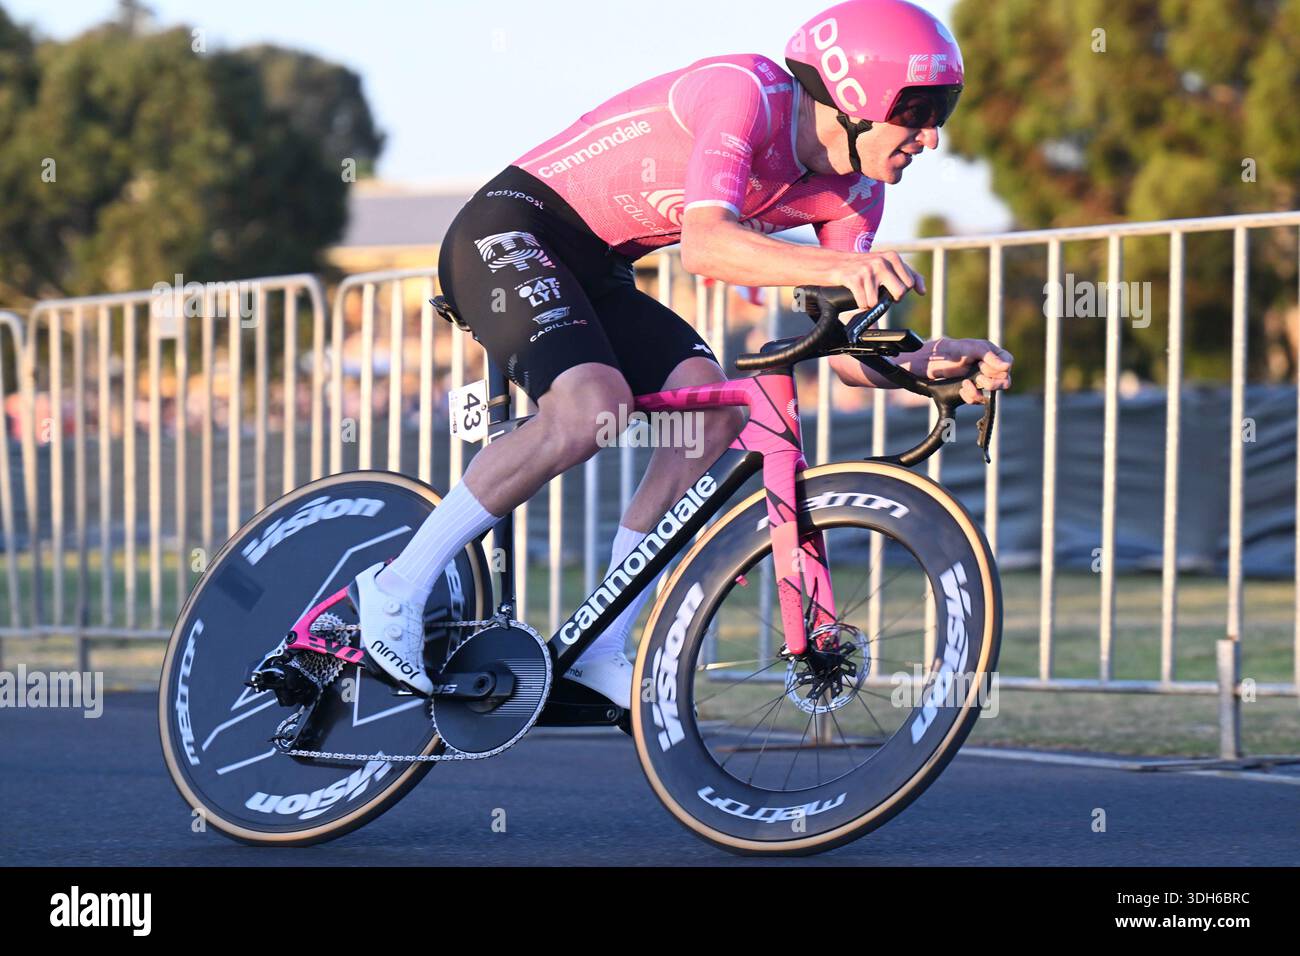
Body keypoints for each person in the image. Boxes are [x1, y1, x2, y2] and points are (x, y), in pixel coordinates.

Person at [348, 0, 1014, 707]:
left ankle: (600, 647)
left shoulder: (854, 193)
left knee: (713, 411)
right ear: (851, 94)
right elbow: (705, 244)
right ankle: (393, 591)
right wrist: (832, 271)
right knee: (588, 409)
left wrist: (929, 362)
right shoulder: (745, 92)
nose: (932, 136)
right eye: (917, 110)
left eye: (944, 110)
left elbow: (850, 359)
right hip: (512, 228)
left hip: (596, 273)